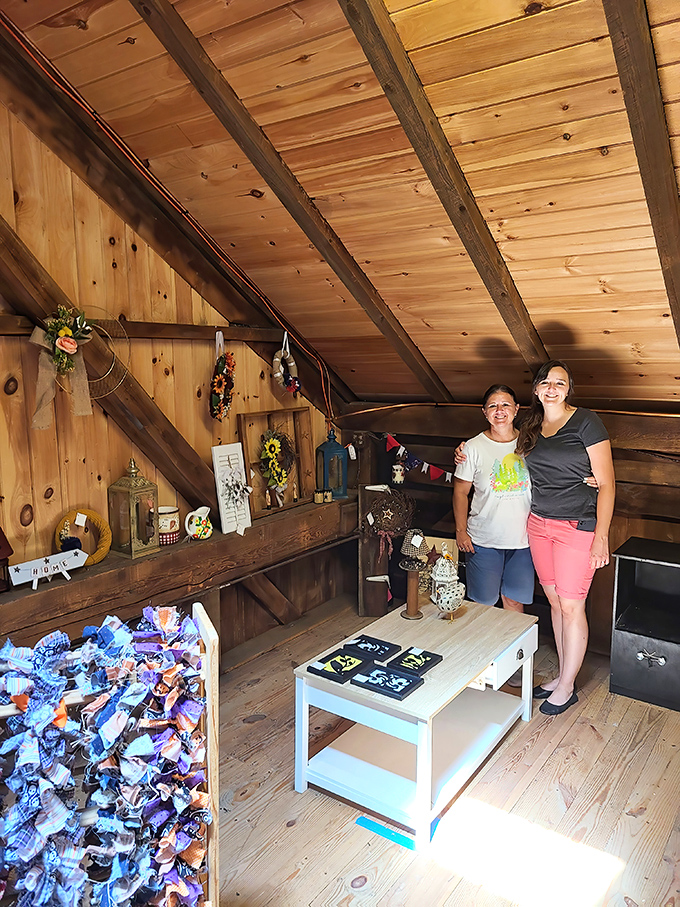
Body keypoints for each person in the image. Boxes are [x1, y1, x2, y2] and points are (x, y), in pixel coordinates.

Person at [516, 360, 615, 716]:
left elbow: (606, 483)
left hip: (577, 526)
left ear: (569, 388)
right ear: (537, 389)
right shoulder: (530, 424)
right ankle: (562, 676)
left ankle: (569, 687)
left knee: (572, 605)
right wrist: (462, 452)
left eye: (559, 382)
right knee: (556, 603)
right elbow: (502, 449)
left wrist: (601, 536)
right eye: (546, 382)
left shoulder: (587, 422)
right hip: (539, 524)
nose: (552, 388)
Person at [453, 385, 534, 621]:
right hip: (483, 539)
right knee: (484, 603)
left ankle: (514, 653)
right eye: (493, 406)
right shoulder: (472, 448)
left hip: (523, 540)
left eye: (506, 404)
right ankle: (484, 655)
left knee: (514, 601)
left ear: (517, 409)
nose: (500, 410)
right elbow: (460, 492)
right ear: (484, 412)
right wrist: (460, 531)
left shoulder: (531, 444)